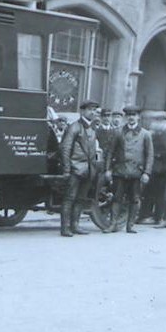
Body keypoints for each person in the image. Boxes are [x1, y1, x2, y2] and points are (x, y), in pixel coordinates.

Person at [107, 105, 153, 233]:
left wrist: (147, 172)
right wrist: (108, 169)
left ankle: (130, 225)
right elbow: (110, 152)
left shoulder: (145, 134)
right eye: (129, 116)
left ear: (138, 117)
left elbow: (150, 155)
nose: (131, 118)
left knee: (135, 199)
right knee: (116, 198)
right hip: (120, 171)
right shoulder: (118, 132)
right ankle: (112, 224)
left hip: (136, 172)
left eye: (134, 115)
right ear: (126, 117)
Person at [58, 100, 101, 237]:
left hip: (88, 170)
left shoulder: (91, 128)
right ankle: (65, 228)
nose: (92, 112)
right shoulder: (74, 127)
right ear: (82, 111)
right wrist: (66, 169)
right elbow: (65, 149)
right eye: (89, 109)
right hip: (75, 169)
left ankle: (75, 225)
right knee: (69, 198)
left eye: (94, 110)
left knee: (81, 198)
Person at [143, 113, 166, 223]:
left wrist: (155, 155)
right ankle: (151, 215)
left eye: (156, 120)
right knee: (153, 192)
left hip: (162, 167)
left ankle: (157, 216)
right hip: (158, 166)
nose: (153, 123)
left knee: (159, 193)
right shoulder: (161, 132)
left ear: (163, 121)